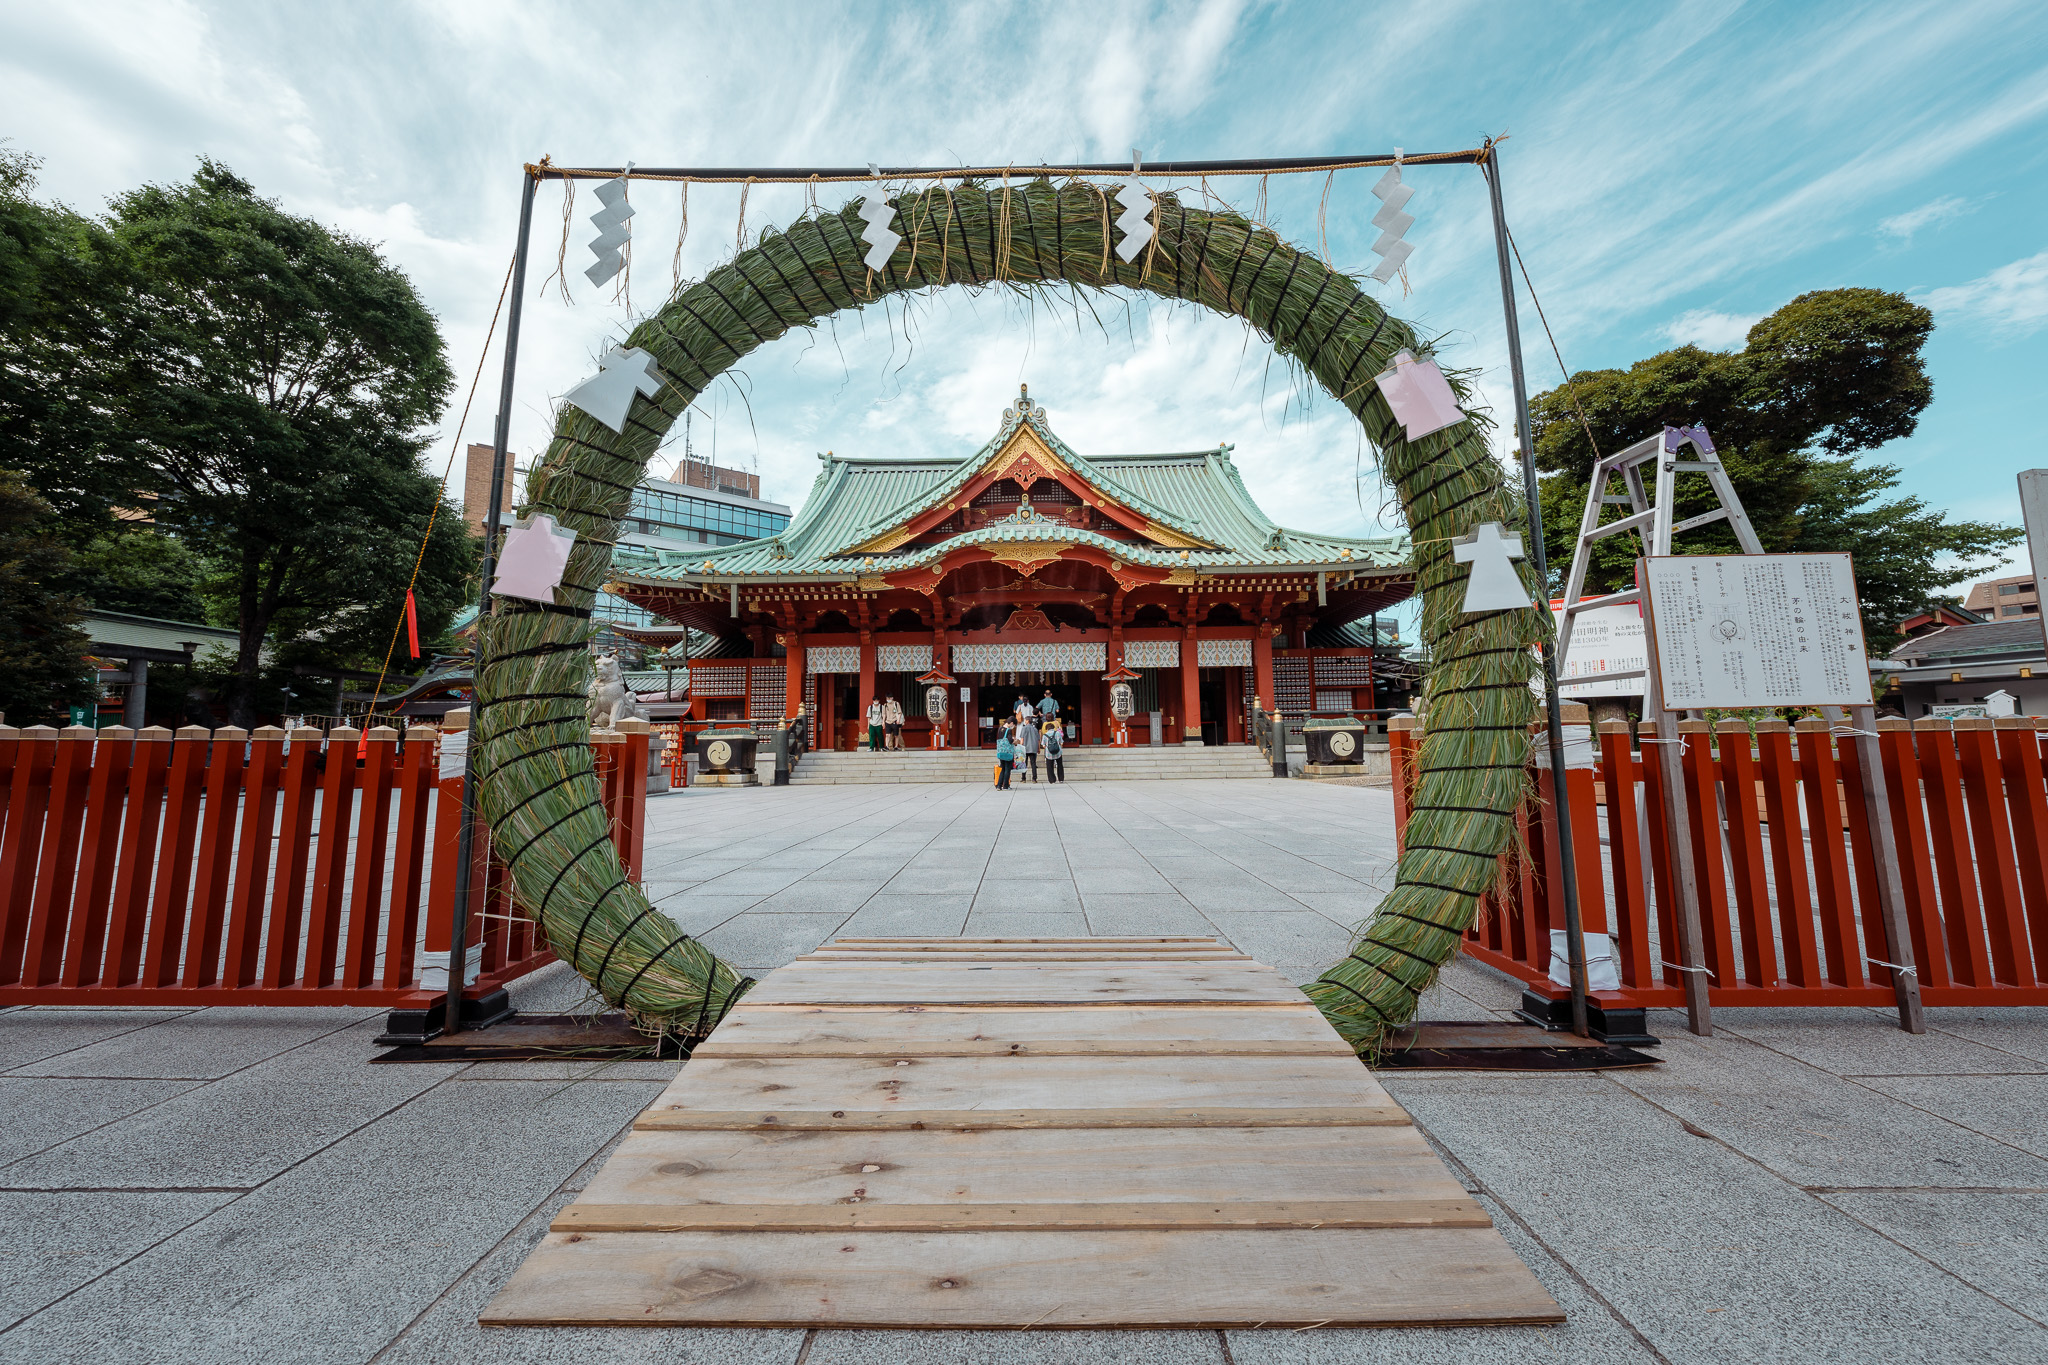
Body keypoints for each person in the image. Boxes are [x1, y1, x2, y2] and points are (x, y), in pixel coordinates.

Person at [1019, 709, 1041, 781]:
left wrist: (1020, 747)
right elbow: (1038, 740)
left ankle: (1023, 778)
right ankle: (1034, 778)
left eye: (1025, 720)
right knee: (1033, 764)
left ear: (1027, 721)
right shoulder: (1035, 729)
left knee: (1024, 764)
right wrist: (1038, 748)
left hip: (1025, 748)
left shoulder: (1024, 728)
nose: (1025, 721)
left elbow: (1022, 739)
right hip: (1033, 748)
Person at [994, 721, 1015, 789]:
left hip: (1001, 752)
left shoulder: (1000, 729)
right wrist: (1014, 740)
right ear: (1011, 723)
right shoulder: (1008, 730)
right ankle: (1006, 785)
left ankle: (999, 785)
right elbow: (1010, 740)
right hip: (1007, 752)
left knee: (1003, 768)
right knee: (1007, 769)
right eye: (1014, 724)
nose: (1013, 726)